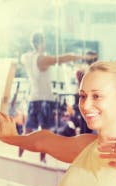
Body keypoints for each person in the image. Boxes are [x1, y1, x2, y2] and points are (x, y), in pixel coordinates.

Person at [20, 32, 89, 162]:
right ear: (40, 43)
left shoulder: (28, 57)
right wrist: (81, 56)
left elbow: (24, 58)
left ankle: (19, 156)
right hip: (45, 99)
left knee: (28, 130)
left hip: (33, 97)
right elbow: (61, 59)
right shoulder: (42, 59)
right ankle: (42, 160)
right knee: (46, 133)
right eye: (43, 42)